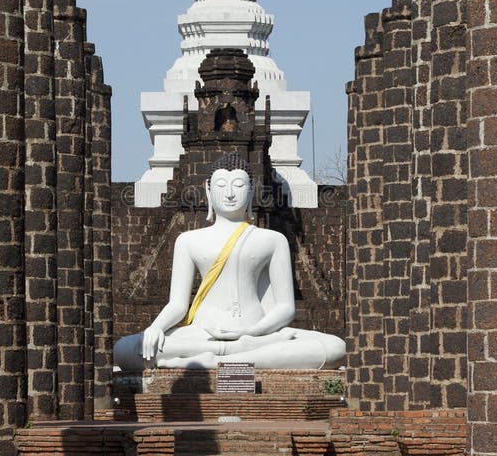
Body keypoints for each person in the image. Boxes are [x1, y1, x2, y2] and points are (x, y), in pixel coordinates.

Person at [114, 154, 346, 370]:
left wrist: (252, 332)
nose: (230, 194)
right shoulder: (188, 240)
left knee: (335, 348)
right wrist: (156, 327)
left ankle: (216, 361)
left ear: (251, 189)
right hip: (203, 333)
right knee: (124, 348)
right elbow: (178, 305)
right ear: (208, 190)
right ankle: (238, 356)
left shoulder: (273, 240)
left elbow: (285, 308)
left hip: (256, 332)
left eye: (239, 185)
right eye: (221, 185)